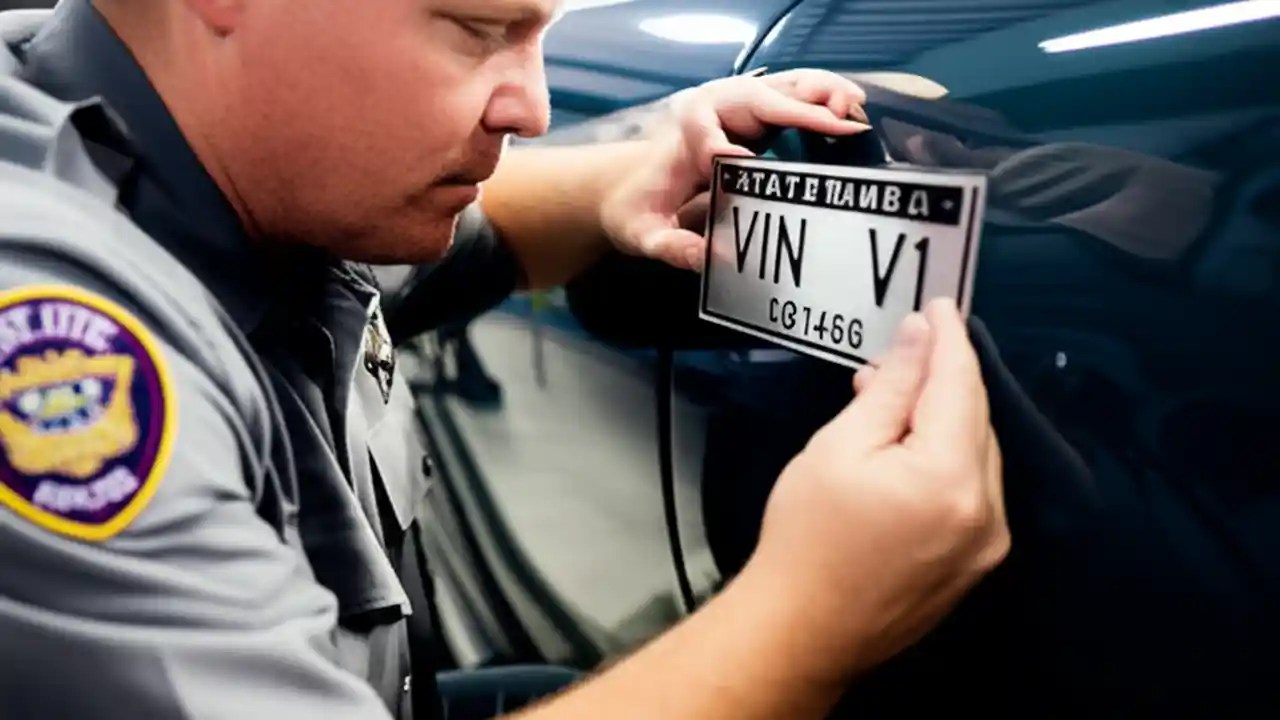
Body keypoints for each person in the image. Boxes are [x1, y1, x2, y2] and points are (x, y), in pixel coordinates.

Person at [0, 1, 1009, 718]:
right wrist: (807, 616)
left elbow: (485, 233)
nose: (527, 108)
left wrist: (627, 181)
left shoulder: (223, 147)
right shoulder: (47, 339)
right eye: (476, 31)